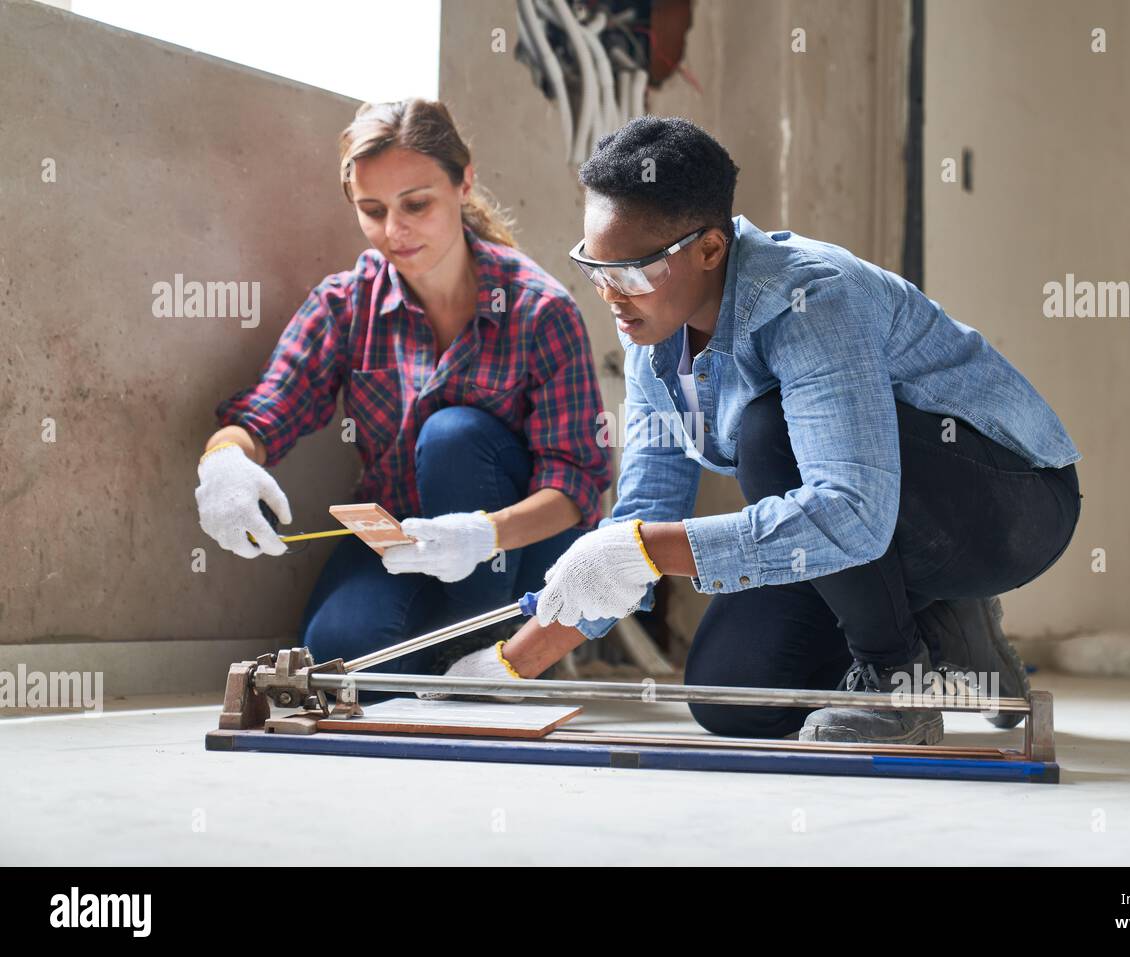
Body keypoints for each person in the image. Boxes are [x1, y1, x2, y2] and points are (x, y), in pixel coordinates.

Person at [466, 115, 1082, 746]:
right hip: (880, 527)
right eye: (595, 268)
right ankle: (949, 634)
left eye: (631, 272)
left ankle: (896, 683)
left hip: (1005, 507)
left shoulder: (809, 298)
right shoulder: (650, 339)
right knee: (732, 695)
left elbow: (852, 511)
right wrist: (511, 663)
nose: (610, 295)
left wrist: (646, 547)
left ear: (709, 249)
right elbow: (641, 521)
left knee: (770, 430)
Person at [194, 99, 610, 678]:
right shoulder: (346, 303)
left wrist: (481, 533)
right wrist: (223, 464)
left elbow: (578, 486)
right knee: (339, 660)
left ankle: (497, 633)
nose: (394, 231)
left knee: (453, 435)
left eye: (416, 204)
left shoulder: (539, 310)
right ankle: (440, 653)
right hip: (401, 538)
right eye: (372, 210)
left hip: (514, 548)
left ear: (464, 183)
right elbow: (267, 412)